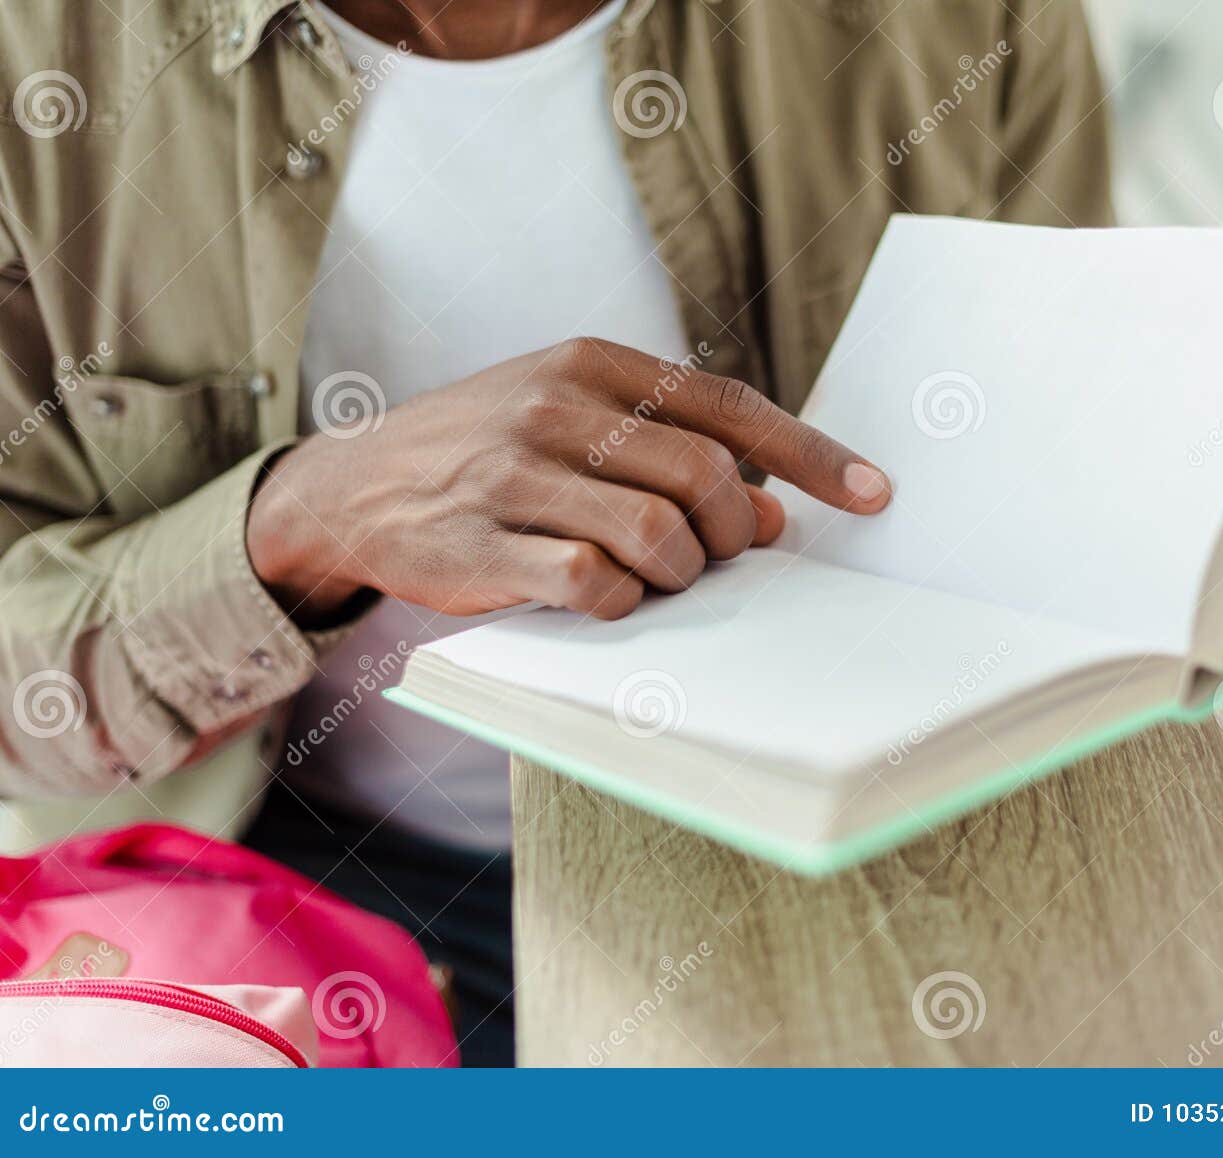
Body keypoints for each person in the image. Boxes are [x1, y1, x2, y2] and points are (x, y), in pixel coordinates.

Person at [0, 0, 1111, 1064]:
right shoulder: (38, 66)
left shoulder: (961, 20)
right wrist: (303, 522)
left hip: (885, 859)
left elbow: (1074, 461)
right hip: (318, 891)